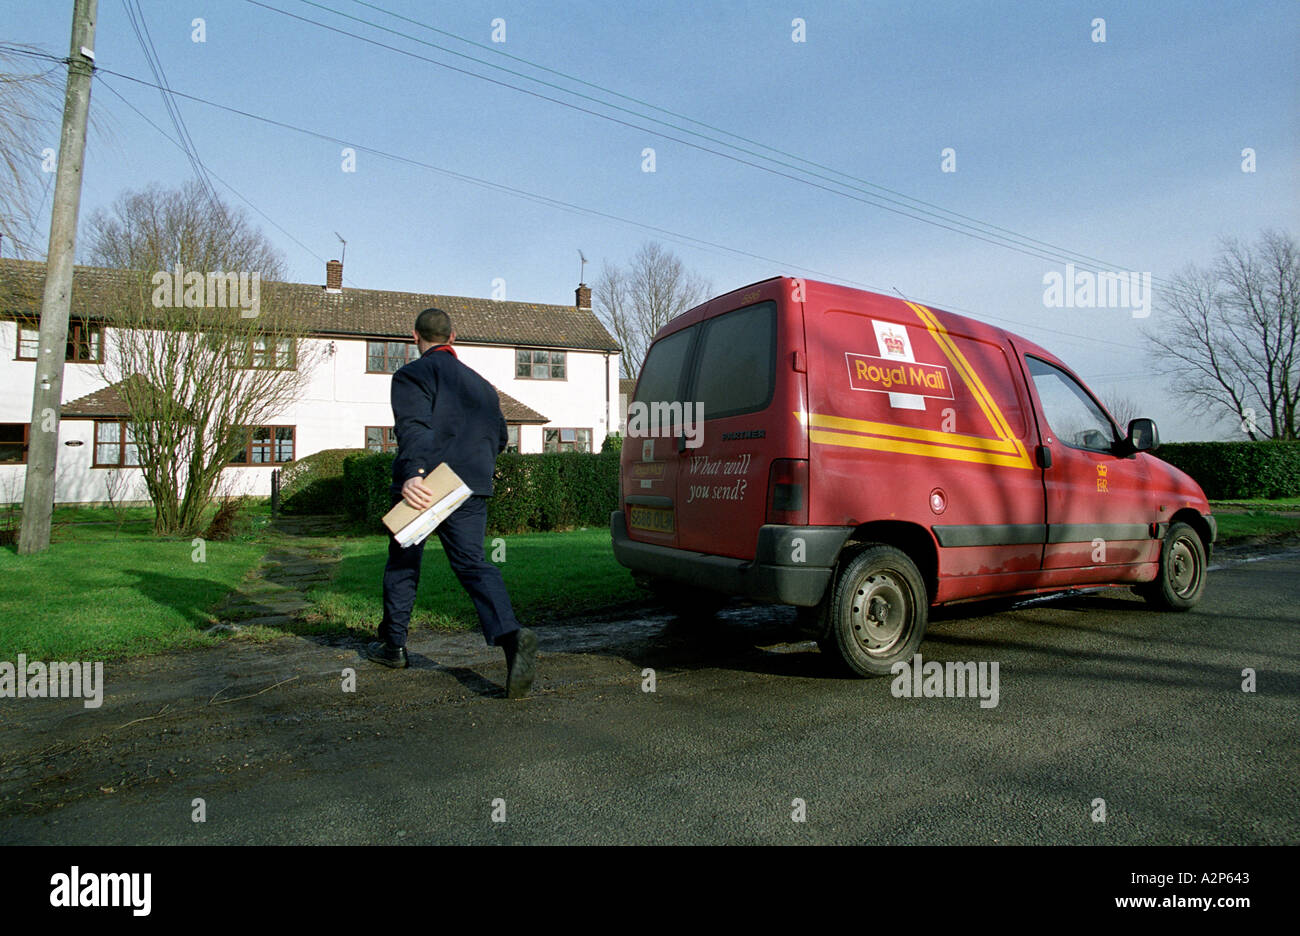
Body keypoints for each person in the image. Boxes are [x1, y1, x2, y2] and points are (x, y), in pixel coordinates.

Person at [363, 306, 537, 699]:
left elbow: (414, 427)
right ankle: (511, 636)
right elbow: (501, 438)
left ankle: (393, 647)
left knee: (404, 562)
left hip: (425, 485)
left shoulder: (412, 374)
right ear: (453, 338)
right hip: (470, 487)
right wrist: (478, 471)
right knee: (473, 564)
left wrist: (414, 472)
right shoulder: (482, 386)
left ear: (415, 337)